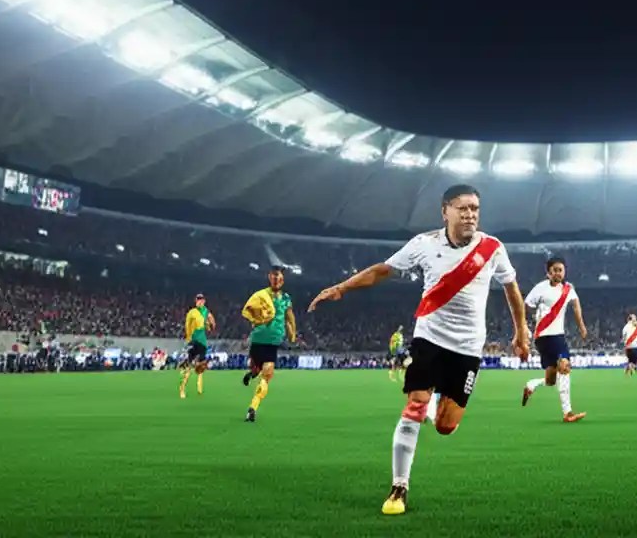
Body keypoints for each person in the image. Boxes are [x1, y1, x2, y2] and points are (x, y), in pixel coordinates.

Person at [309, 184, 529, 516]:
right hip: (429, 338)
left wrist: (521, 332)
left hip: (468, 348)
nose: (470, 214)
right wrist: (343, 287)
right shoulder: (424, 244)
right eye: (463, 208)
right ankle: (399, 487)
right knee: (415, 406)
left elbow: (511, 288)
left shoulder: (493, 249)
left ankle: (438, 402)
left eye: (475, 209)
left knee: (445, 426)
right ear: (445, 211)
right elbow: (384, 269)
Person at [521, 257, 588, 422]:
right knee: (565, 366)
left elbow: (576, 303)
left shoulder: (568, 288)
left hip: (558, 335)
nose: (558, 273)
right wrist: (524, 327)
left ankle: (531, 385)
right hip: (543, 335)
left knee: (551, 380)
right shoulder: (540, 288)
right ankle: (568, 413)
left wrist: (581, 325)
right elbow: (525, 306)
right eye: (555, 270)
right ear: (548, 273)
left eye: (561, 270)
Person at [240, 266, 297, 423]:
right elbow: (248, 310)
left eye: (279, 277)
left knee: (267, 374)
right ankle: (251, 374)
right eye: (274, 277)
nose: (276, 280)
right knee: (256, 370)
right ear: (269, 278)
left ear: (283, 280)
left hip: (273, 340)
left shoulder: (286, 299)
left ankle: (252, 408)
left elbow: (289, 317)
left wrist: (292, 333)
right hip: (258, 338)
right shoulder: (262, 295)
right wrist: (255, 319)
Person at [180, 294, 216, 398]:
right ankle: (182, 389)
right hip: (193, 341)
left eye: (201, 300)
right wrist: (188, 338)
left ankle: (199, 387)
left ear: (204, 301)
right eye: (198, 300)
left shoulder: (206, 311)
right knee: (189, 366)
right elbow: (187, 326)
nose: (199, 302)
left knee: (201, 366)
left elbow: (211, 322)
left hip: (203, 342)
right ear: (195, 301)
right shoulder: (192, 312)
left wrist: (210, 325)